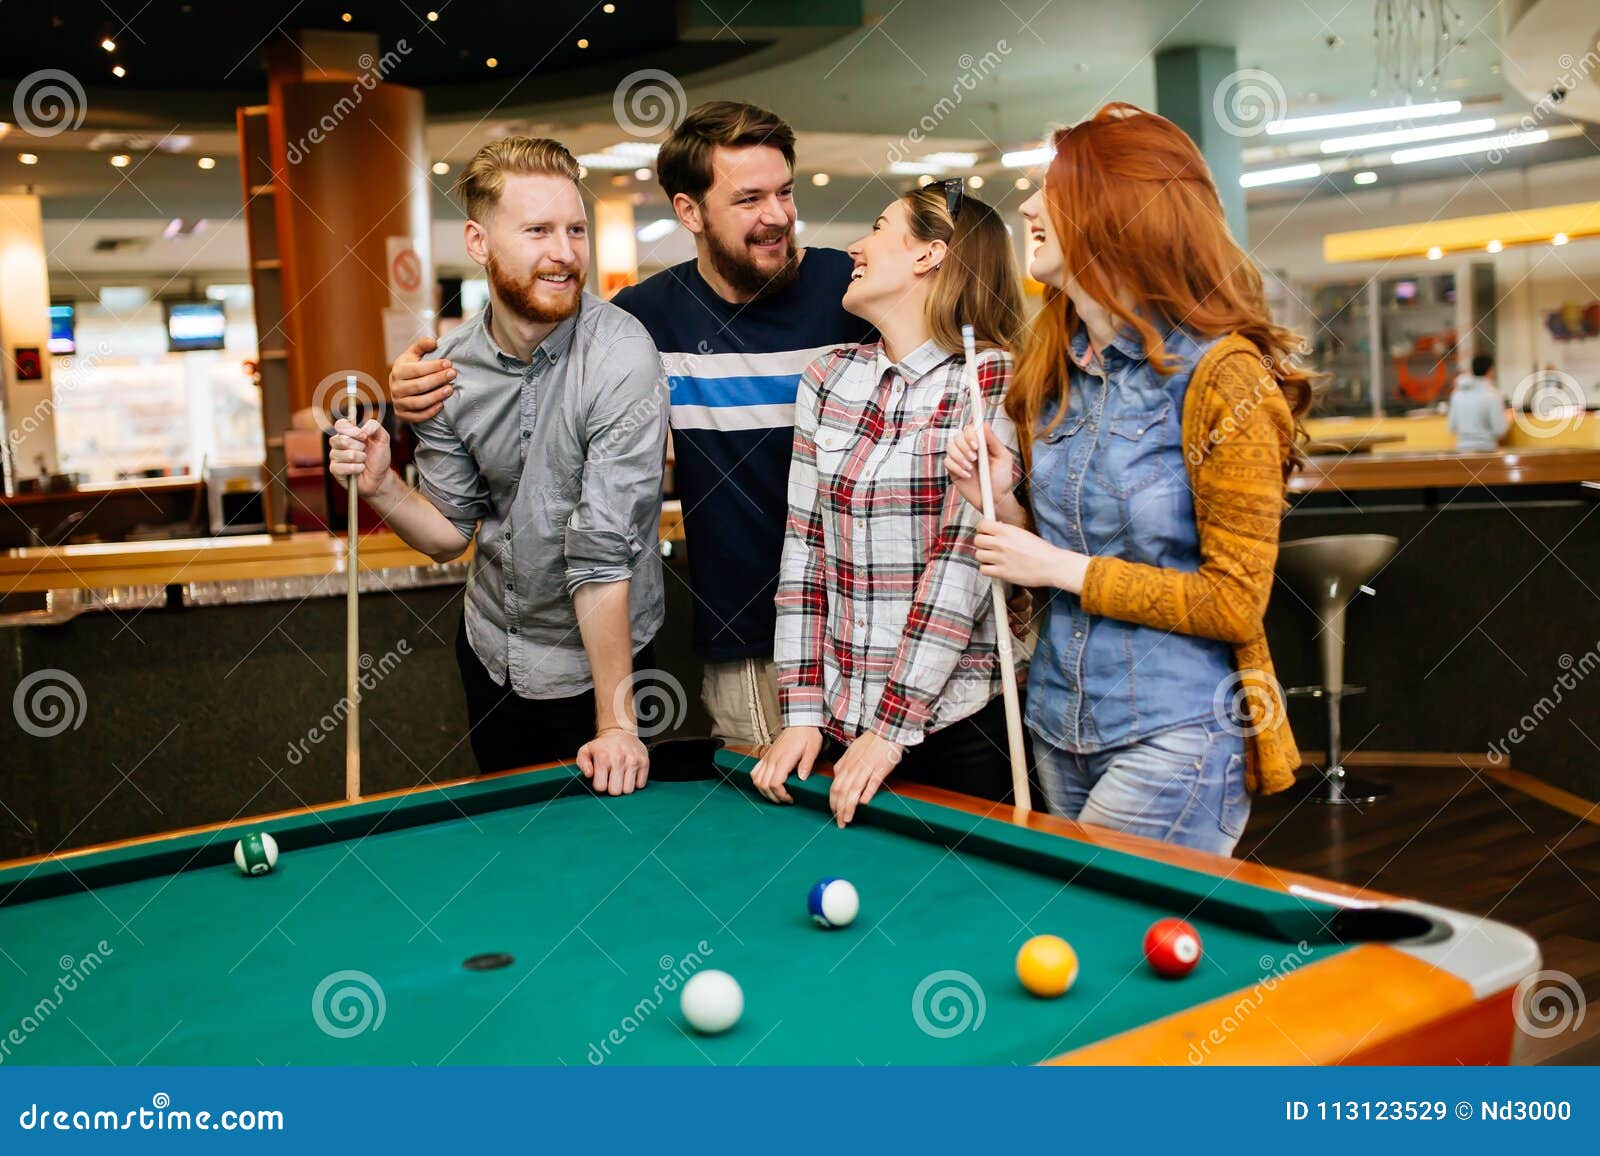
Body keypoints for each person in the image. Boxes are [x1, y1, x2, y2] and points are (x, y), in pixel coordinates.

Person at [386, 102, 873, 749]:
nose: (779, 215)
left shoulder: (853, 293)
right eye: (750, 198)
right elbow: (535, 365)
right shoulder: (643, 321)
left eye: (785, 191)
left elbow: (950, 349)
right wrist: (408, 388)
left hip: (873, 625)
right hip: (748, 643)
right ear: (689, 212)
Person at [945, 102, 1310, 856]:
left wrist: (1061, 566)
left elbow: (1236, 601)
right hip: (1057, 722)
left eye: (1053, 188)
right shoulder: (1054, 368)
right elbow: (1051, 561)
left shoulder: (1223, 376)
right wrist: (1005, 504)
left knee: (1105, 949)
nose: (1027, 205)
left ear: (1118, 213)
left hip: (1177, 732)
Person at [329, 137, 668, 792]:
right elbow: (449, 536)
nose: (565, 252)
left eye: (575, 228)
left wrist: (618, 724)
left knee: (606, 861)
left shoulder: (623, 356)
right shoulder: (447, 369)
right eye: (538, 230)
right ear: (479, 243)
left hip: (602, 667)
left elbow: (600, 552)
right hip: (492, 657)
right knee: (514, 859)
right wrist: (382, 488)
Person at [751, 180, 1026, 827]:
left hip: (955, 728)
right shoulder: (828, 376)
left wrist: (893, 727)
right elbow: (804, 558)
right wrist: (801, 711)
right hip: (842, 729)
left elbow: (960, 570)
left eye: (877, 227)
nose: (856, 245)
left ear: (930, 255)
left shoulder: (988, 378)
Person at [1447, 353, 1508, 452]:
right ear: (1490, 370)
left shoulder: (1457, 394)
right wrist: (1508, 420)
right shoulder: (1493, 395)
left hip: (1462, 450)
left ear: (1472, 370)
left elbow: (1452, 427)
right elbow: (1499, 430)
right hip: (1486, 450)